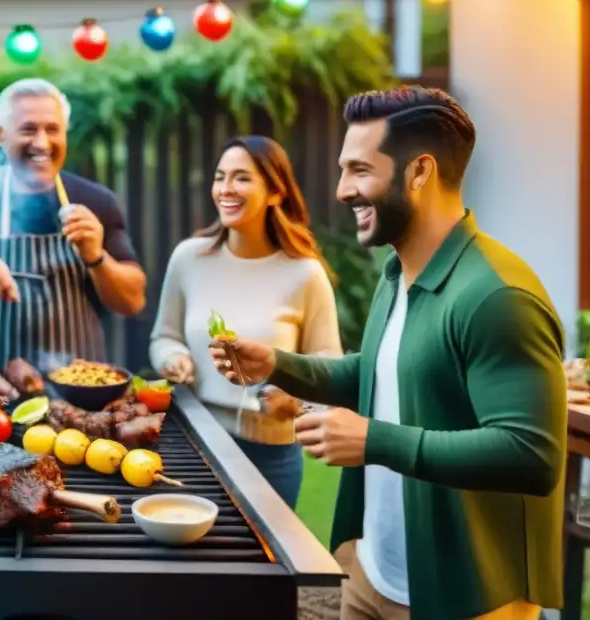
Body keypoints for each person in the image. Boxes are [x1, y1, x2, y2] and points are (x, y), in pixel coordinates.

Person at [210, 87, 565, 620]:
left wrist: (374, 439)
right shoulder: (398, 272)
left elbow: (530, 454)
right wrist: (280, 365)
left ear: (419, 172)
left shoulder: (498, 296)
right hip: (370, 574)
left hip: (463, 596)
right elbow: (381, 373)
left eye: (358, 170)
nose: (342, 189)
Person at [149, 135, 341, 508]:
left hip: (271, 456)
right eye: (220, 177)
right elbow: (163, 337)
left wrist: (296, 400)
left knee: (266, 565)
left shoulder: (305, 274)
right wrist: (173, 358)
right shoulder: (189, 259)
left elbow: (328, 370)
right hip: (193, 445)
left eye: (241, 177)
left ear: (274, 191)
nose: (225, 189)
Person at [0, 77, 146, 372]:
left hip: (80, 394)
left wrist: (96, 257)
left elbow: (133, 301)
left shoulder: (96, 201)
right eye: (28, 129)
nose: (41, 143)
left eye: (52, 129)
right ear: (0, 134)